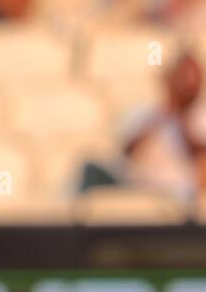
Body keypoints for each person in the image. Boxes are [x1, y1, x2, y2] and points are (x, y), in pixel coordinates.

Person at [78, 52, 206, 204]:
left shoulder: (200, 118)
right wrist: (163, 115)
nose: (188, 83)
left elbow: (199, 155)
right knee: (91, 171)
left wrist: (180, 118)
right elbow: (127, 151)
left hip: (177, 194)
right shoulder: (145, 112)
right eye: (183, 76)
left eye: (193, 76)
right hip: (137, 186)